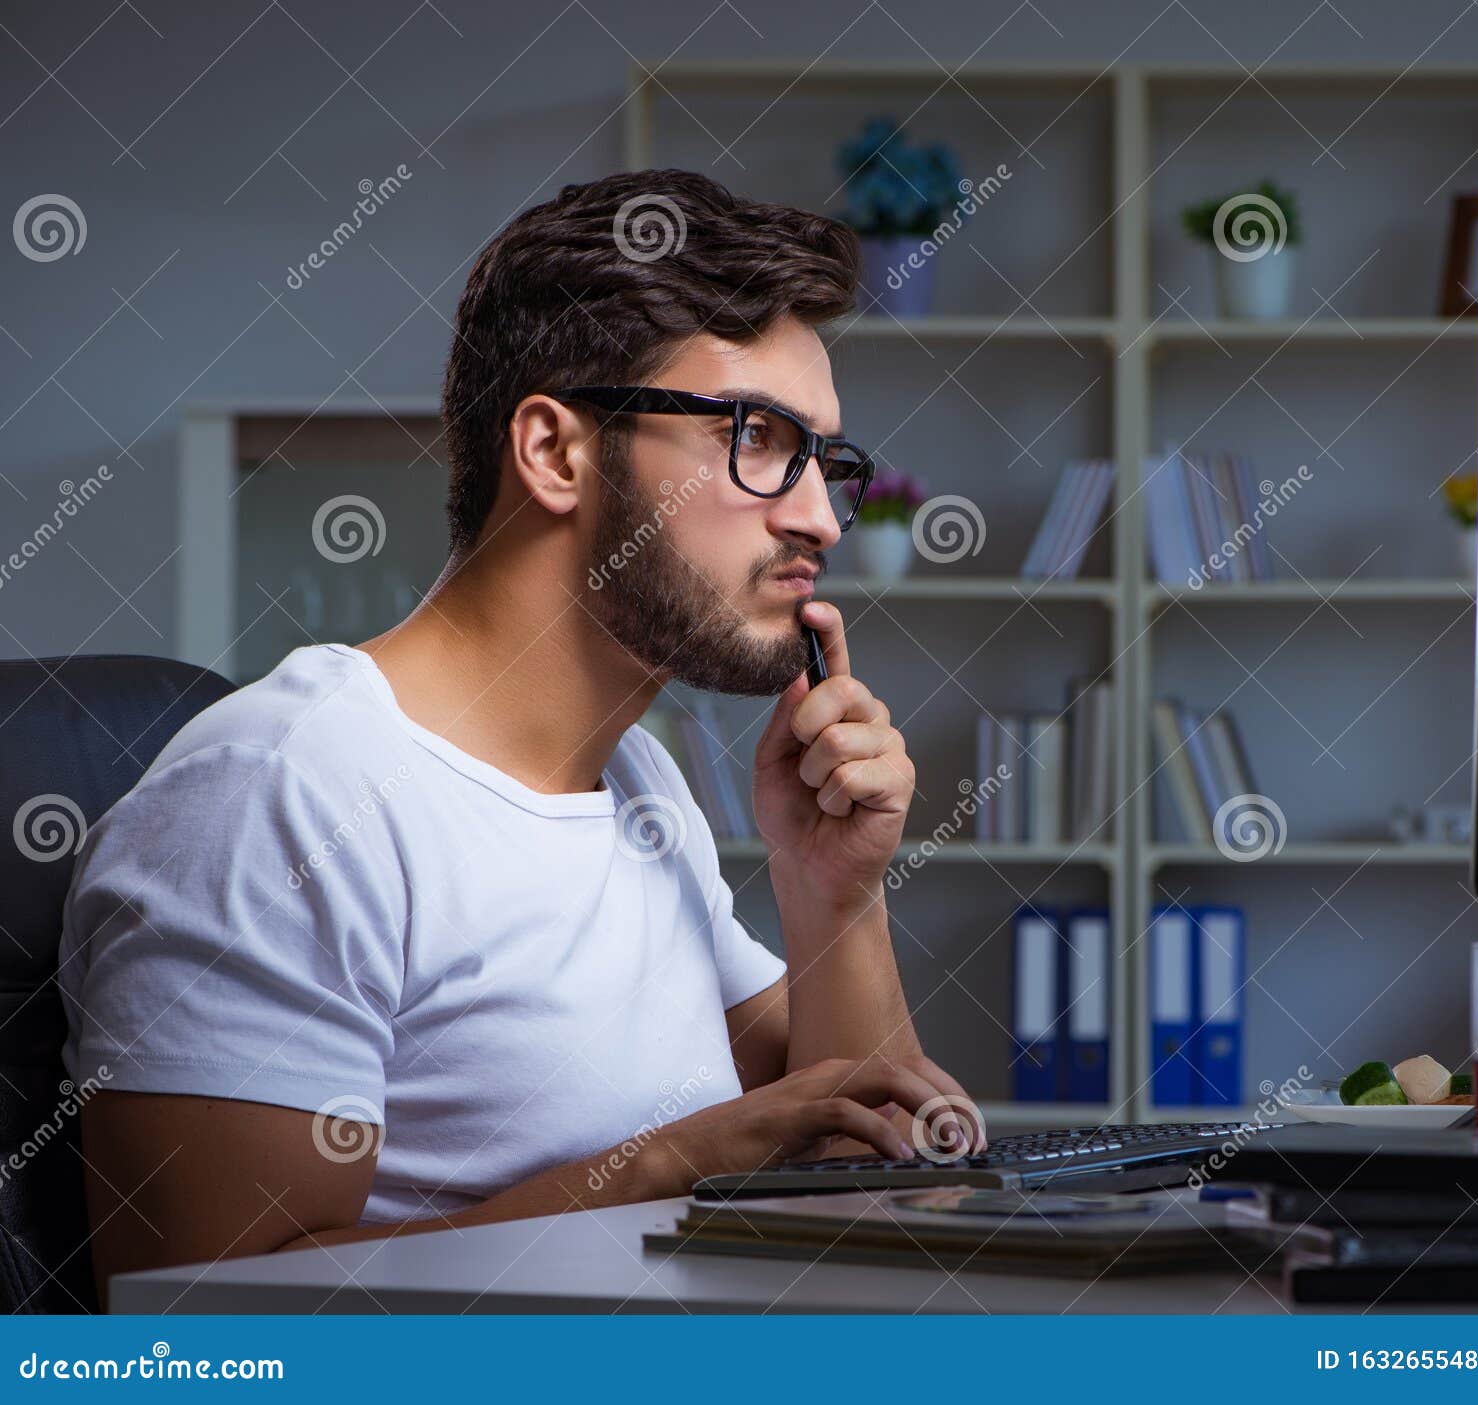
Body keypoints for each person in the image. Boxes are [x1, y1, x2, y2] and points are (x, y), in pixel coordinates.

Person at [59, 168, 981, 1303]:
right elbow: (197, 1337)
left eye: (824, 462)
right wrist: (673, 1165)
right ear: (553, 453)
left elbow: (853, 1143)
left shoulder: (635, 778)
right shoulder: (279, 794)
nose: (819, 516)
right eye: (758, 438)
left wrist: (833, 890)